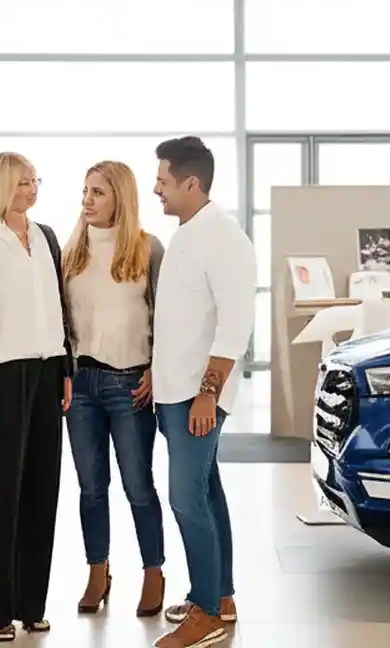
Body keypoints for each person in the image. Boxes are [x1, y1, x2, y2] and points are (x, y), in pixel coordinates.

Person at [0, 152, 73, 643]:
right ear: (3, 186)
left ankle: (31, 604)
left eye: (35, 180)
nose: (33, 189)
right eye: (24, 182)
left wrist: (65, 367)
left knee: (41, 490)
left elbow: (58, 309)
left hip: (47, 372)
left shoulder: (46, 238)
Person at [149, 136, 255, 648]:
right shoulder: (188, 234)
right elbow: (180, 320)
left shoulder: (225, 238)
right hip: (173, 391)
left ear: (192, 183)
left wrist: (208, 393)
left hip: (198, 396)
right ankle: (219, 595)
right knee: (207, 493)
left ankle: (207, 613)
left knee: (186, 499)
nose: (156, 189)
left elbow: (235, 325)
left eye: (164, 181)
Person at [61, 161, 167, 616]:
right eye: (85, 191)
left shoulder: (148, 249)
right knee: (90, 488)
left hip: (131, 384)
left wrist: (157, 368)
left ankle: (153, 572)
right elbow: (62, 323)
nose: (87, 200)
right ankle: (97, 571)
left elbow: (166, 315)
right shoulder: (70, 251)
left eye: (98, 192)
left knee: (139, 486)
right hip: (82, 383)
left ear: (119, 198)